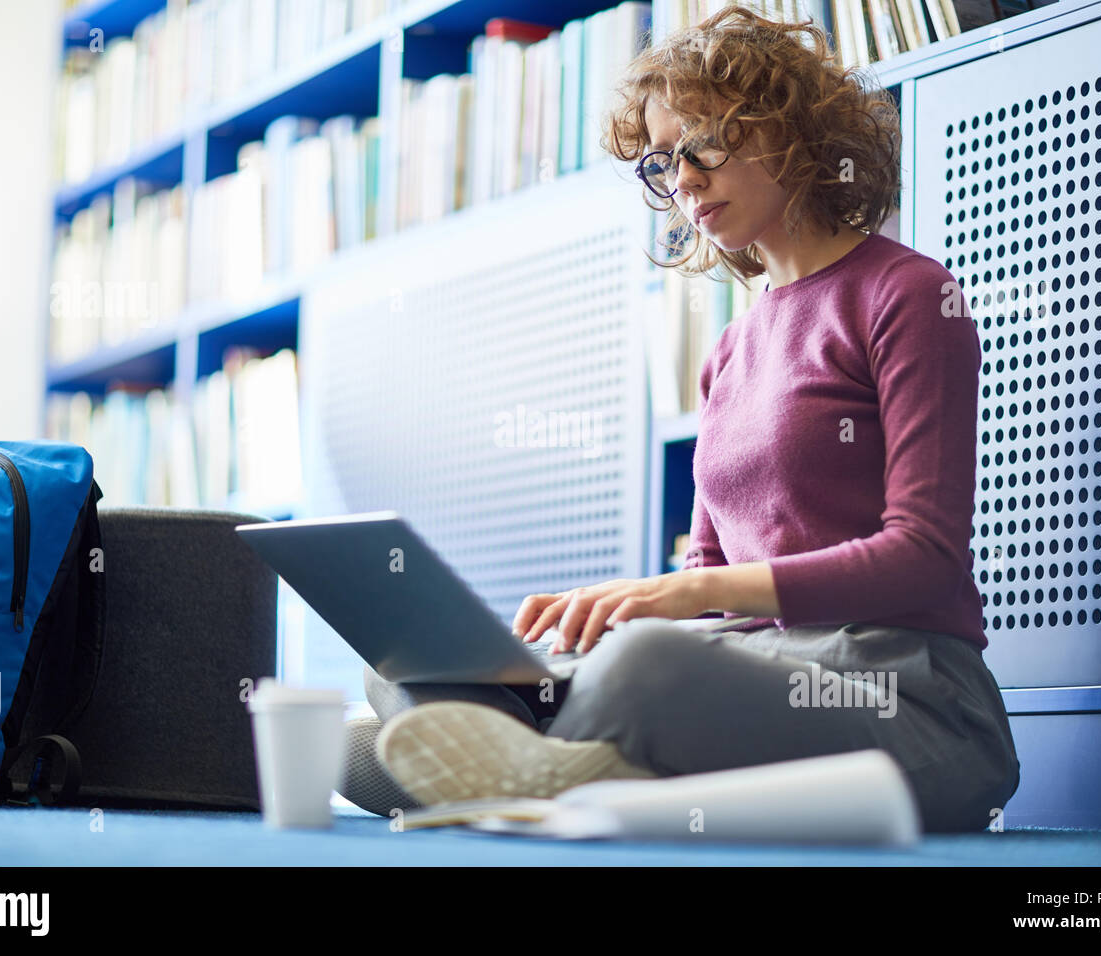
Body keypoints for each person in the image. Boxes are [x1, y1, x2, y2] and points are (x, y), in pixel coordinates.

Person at [341, 4, 1020, 833]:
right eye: (663, 161)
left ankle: (556, 765)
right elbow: (707, 584)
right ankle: (565, 759)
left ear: (790, 130)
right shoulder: (731, 348)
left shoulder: (908, 295)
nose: (684, 178)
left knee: (646, 663)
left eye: (702, 141)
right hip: (745, 670)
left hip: (904, 694)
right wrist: (615, 609)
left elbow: (923, 557)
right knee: (423, 672)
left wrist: (680, 597)